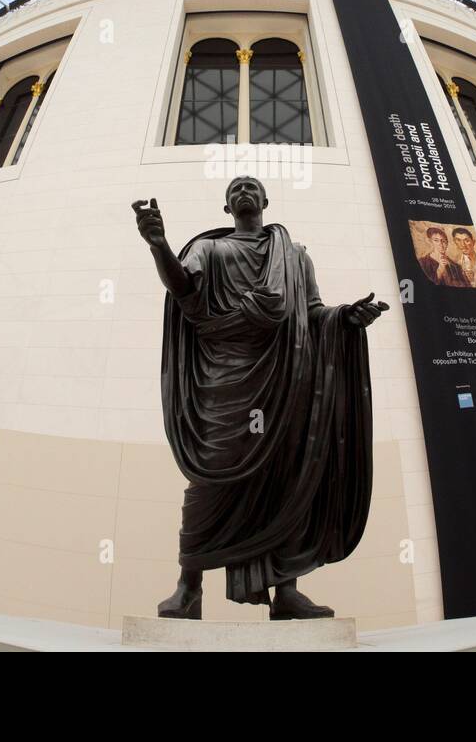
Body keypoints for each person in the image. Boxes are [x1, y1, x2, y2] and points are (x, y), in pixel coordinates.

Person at [132, 177, 388, 620]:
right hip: (224, 376)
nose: (244, 191)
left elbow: (311, 312)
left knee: (284, 475)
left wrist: (346, 318)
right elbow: (183, 290)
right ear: (227, 204)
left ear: (265, 201)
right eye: (236, 188)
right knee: (211, 478)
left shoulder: (295, 255)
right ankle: (189, 586)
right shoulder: (209, 250)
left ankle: (286, 590)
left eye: (252, 186)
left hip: (285, 377)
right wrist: (158, 244)